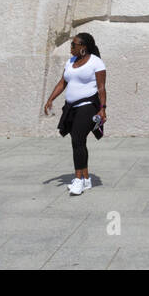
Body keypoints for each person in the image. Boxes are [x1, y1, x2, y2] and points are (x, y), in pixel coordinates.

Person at [43, 33, 107, 195]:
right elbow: (63, 82)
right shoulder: (70, 62)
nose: (71, 47)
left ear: (83, 47)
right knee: (78, 142)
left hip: (88, 106)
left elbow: (101, 87)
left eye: (73, 45)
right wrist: (50, 99)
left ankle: (78, 179)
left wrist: (103, 108)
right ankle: (86, 179)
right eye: (71, 44)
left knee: (78, 139)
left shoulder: (96, 62)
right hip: (71, 107)